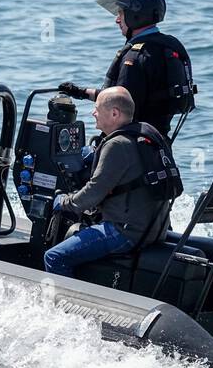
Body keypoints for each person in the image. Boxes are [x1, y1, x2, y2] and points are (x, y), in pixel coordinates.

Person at [43, 87, 176, 277]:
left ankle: (64, 306)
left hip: (125, 233)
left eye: (97, 109)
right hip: (154, 229)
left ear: (114, 113)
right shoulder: (147, 134)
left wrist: (63, 202)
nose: (93, 112)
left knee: (54, 257)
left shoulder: (117, 145)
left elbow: (92, 195)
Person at [58, 0, 194, 138]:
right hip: (158, 140)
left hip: (129, 145)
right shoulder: (167, 46)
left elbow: (119, 106)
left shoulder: (135, 58)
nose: (117, 20)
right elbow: (124, 98)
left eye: (121, 13)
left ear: (135, 16)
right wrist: (81, 92)